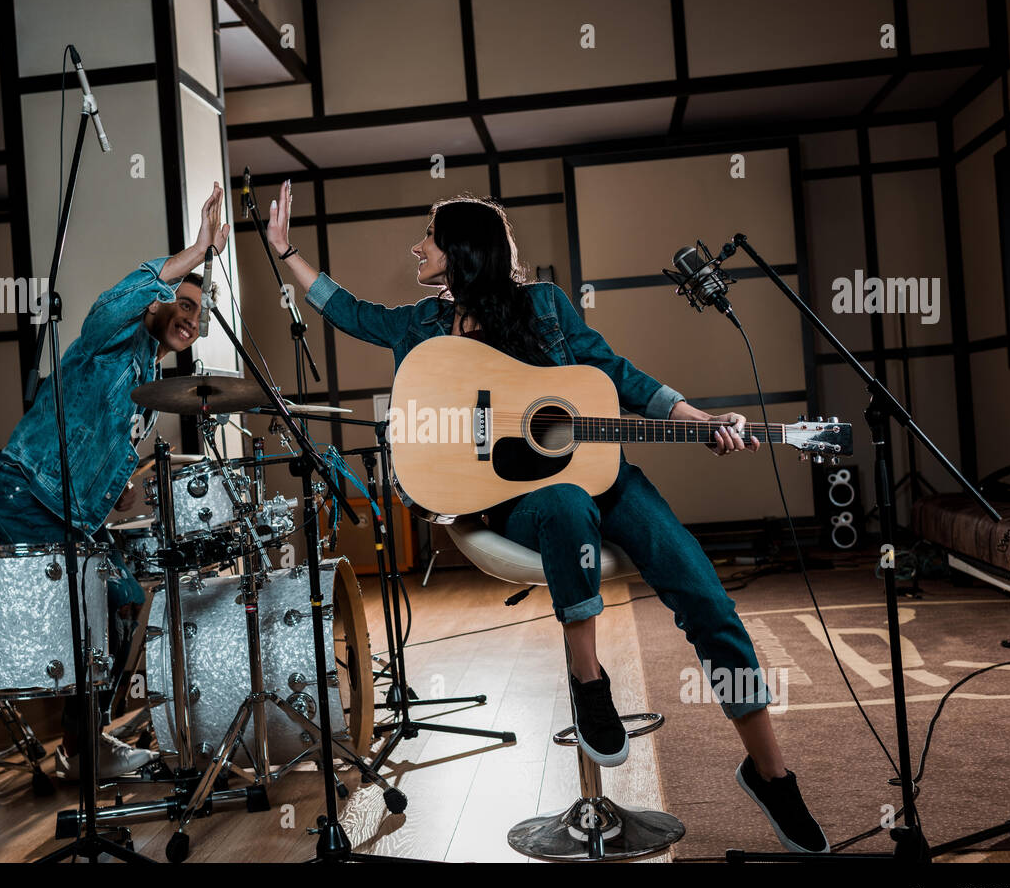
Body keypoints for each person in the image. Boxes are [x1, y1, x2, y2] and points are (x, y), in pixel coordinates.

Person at [263, 182, 828, 853]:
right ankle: (590, 683)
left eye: (429, 237)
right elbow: (347, 310)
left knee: (706, 596)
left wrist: (699, 420)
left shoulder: (546, 307)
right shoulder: (421, 325)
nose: (416, 247)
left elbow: (618, 375)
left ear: (464, 252)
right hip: (514, 497)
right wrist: (287, 251)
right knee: (562, 503)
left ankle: (772, 773)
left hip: (604, 475)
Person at [0, 183, 231, 780]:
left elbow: (93, 448)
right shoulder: (116, 340)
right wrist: (196, 252)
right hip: (18, 490)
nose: (191, 319)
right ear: (157, 306)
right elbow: (108, 307)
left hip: (65, 510)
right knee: (97, 602)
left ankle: (82, 745)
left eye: (200, 312)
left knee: (124, 599)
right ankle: (85, 751)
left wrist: (120, 490)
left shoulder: (145, 378)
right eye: (183, 305)